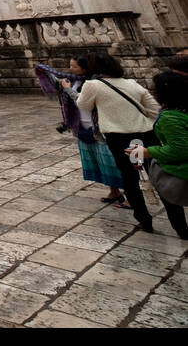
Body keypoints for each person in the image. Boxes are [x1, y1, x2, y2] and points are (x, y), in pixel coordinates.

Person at [71, 51, 161, 233]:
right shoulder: (132, 83)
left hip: (119, 136)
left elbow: (83, 105)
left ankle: (144, 219)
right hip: (144, 134)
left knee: (130, 177)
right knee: (156, 174)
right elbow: (155, 110)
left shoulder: (92, 85)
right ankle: (180, 224)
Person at [58, 57, 125, 209]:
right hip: (81, 124)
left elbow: (83, 102)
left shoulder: (93, 84)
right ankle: (113, 191)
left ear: (85, 68)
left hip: (98, 125)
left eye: (74, 66)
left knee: (112, 161)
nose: (71, 69)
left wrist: (68, 89)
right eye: (70, 65)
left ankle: (131, 194)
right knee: (99, 161)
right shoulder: (74, 80)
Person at [139, 70, 188, 239]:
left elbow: (178, 149)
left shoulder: (170, 116)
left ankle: (183, 231)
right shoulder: (182, 109)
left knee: (171, 197)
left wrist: (148, 152)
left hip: (180, 169)